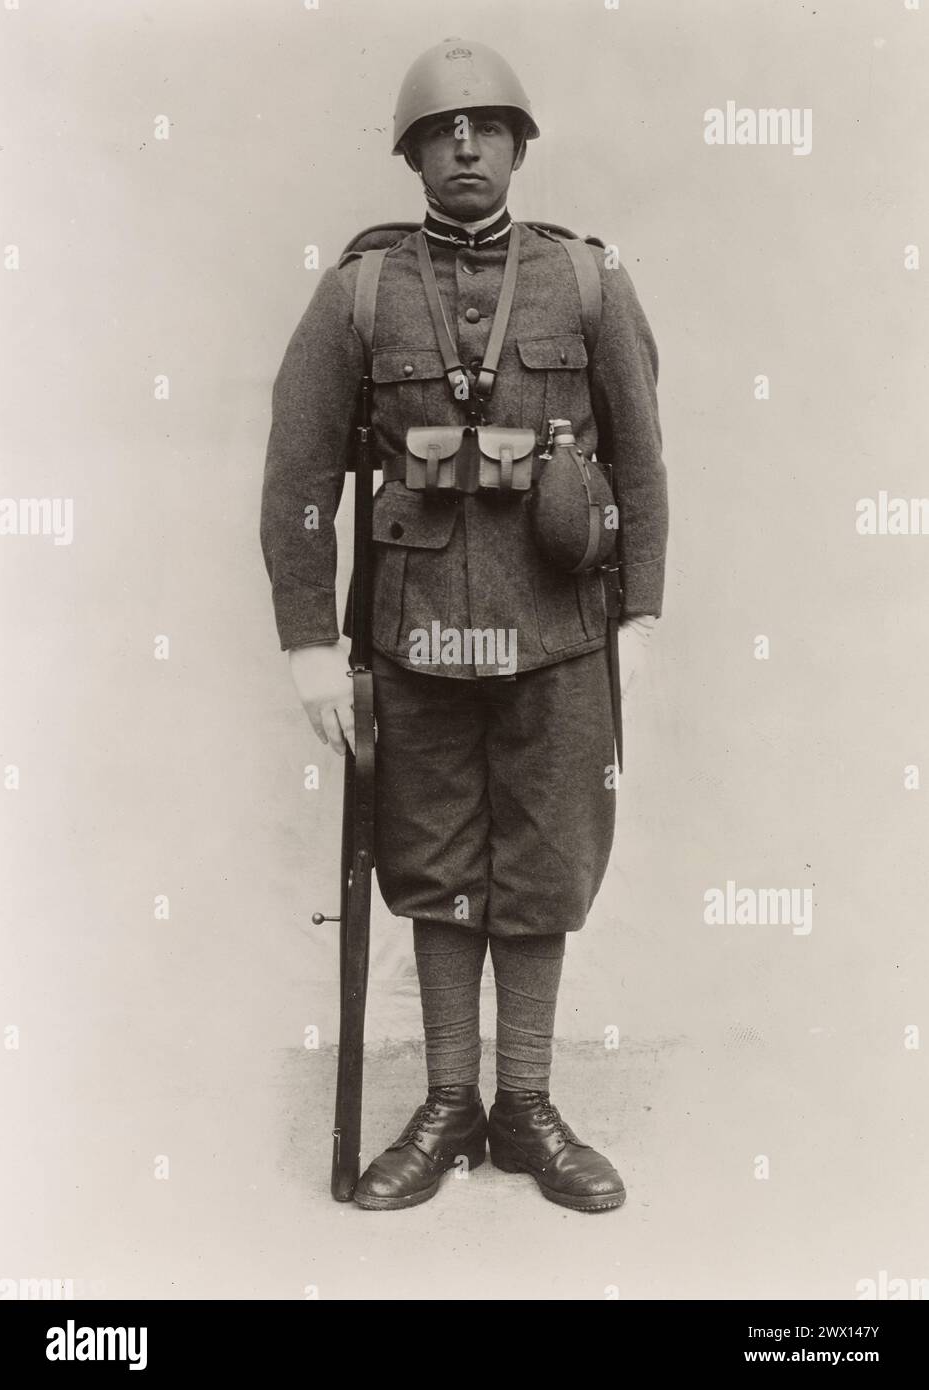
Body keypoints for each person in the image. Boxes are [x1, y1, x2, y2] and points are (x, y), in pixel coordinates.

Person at [260, 37, 668, 1212]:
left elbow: (640, 463)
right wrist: (306, 645)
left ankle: (527, 1106)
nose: (468, 146)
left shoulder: (590, 281)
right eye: (444, 131)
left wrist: (638, 614)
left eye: (489, 127)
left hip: (560, 639)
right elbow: (297, 474)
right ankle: (448, 1106)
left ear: (521, 145)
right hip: (417, 639)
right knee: (434, 867)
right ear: (412, 154)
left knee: (543, 867)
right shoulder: (360, 293)